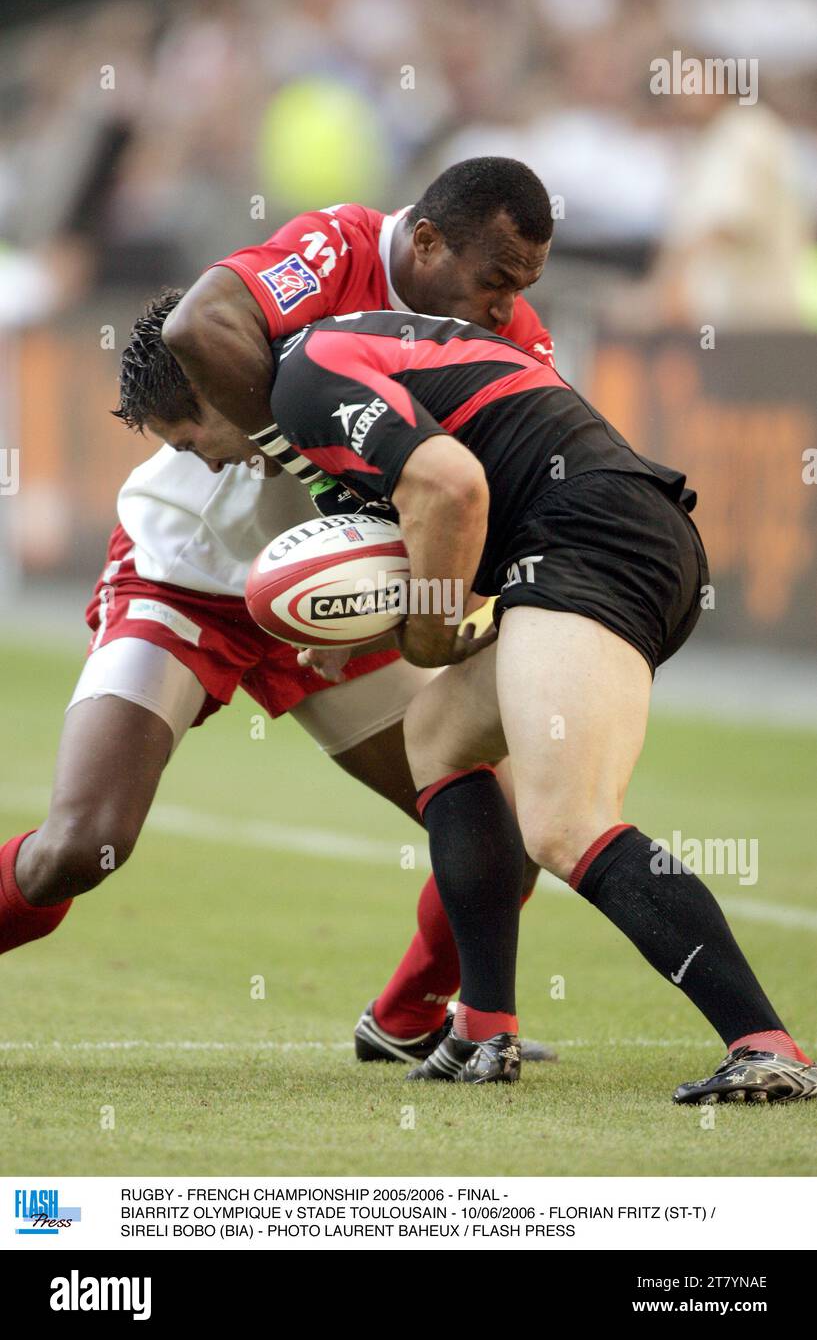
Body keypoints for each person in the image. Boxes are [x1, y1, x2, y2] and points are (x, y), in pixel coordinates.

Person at [0, 158, 556, 1065]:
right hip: (179, 577)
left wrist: (408, 605)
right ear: (424, 241)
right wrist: (312, 465)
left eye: (520, 286)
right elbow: (197, 323)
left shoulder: (513, 336)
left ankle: (407, 1016)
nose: (504, 308)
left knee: (504, 835)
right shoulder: (334, 247)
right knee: (84, 843)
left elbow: (500, 487)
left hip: (333, 601)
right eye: (494, 280)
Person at [200, 303, 814, 1105]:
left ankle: (765, 1047)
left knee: (565, 821)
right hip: (590, 535)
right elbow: (465, 491)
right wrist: (380, 622)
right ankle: (482, 1030)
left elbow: (452, 486)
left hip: (595, 540)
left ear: (211, 386)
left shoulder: (305, 377)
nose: (205, 461)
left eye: (189, 439)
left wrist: (421, 640)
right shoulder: (337, 369)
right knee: (438, 731)